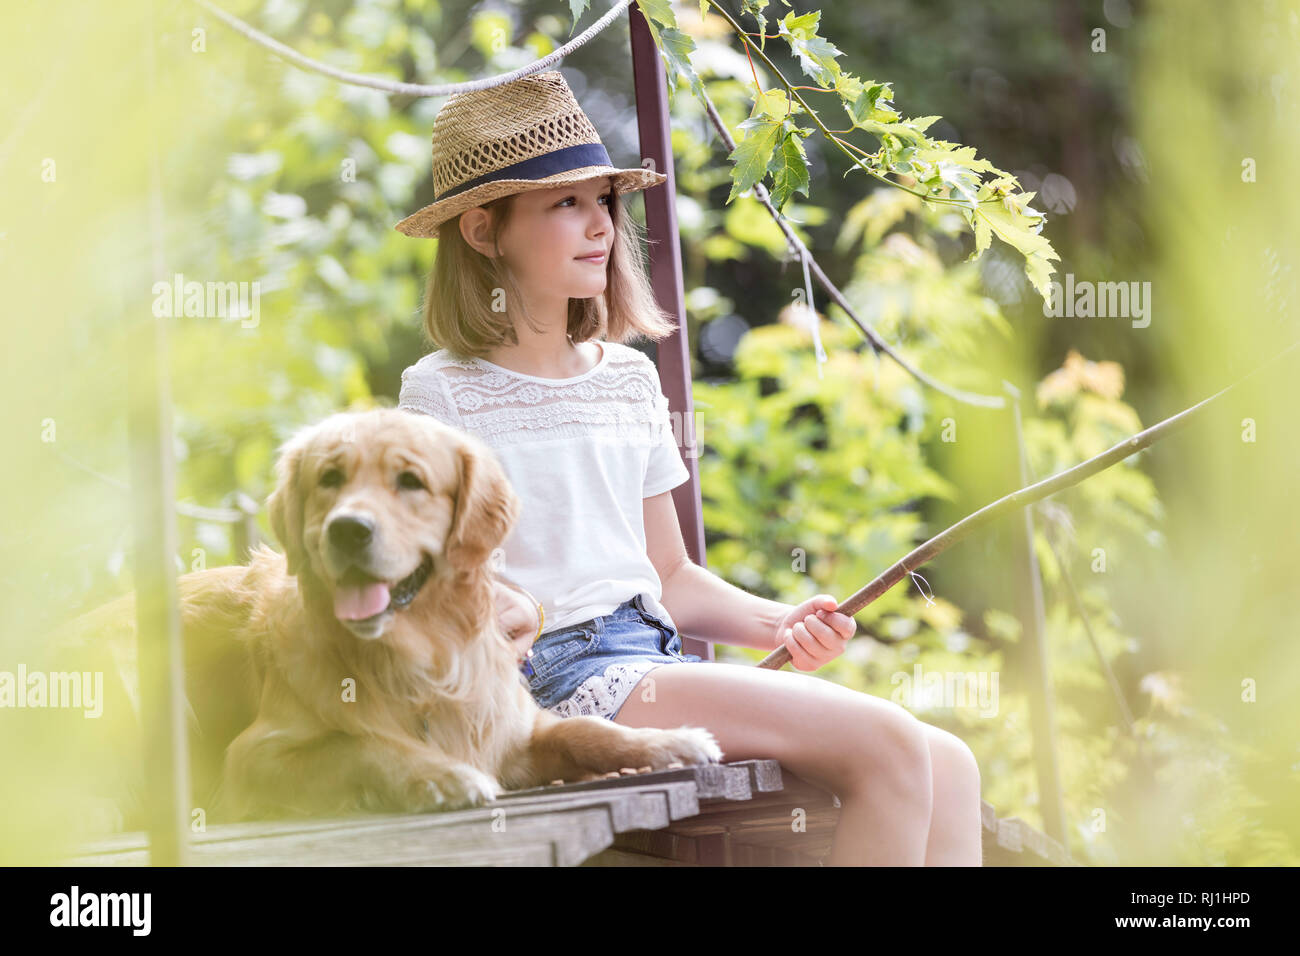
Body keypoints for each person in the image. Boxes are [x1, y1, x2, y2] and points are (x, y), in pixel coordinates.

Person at [393, 70, 981, 865]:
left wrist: (781, 623)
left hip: (651, 660)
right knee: (889, 744)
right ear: (482, 230)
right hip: (556, 682)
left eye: (604, 200)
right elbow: (437, 587)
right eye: (565, 203)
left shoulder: (628, 378)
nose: (599, 225)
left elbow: (668, 575)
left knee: (951, 762)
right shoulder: (439, 394)